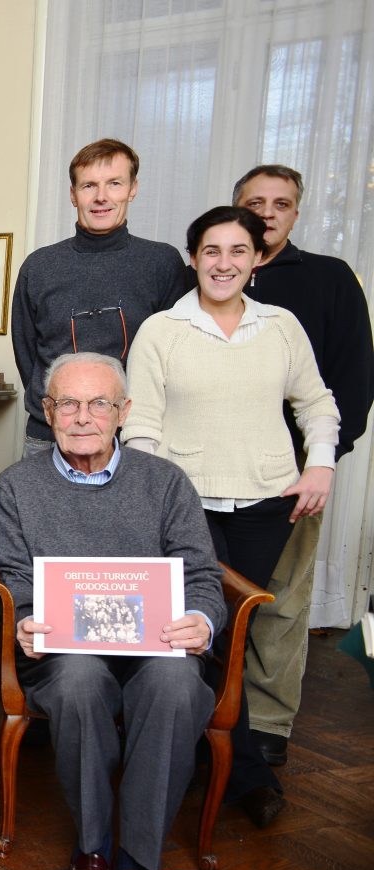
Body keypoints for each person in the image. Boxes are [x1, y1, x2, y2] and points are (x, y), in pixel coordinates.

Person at [0, 352, 224, 870]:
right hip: (65, 652)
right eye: (68, 403)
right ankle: (92, 850)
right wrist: (25, 618)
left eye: (99, 403)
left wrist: (201, 619)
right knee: (78, 682)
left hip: (157, 647)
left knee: (175, 686)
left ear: (124, 412)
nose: (82, 417)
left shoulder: (165, 481)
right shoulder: (16, 486)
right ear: (48, 412)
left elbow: (201, 574)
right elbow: (15, 577)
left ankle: (137, 865)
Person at [123, 205, 339, 829]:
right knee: (199, 633)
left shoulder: (281, 327)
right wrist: (154, 501)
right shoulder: (163, 330)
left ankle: (209, 759)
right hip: (186, 506)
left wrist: (320, 465)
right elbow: (141, 426)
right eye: (211, 251)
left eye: (238, 251)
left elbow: (316, 403)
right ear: (193, 258)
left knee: (237, 634)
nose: (224, 263)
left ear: (257, 259)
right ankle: (238, 771)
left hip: (267, 503)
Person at [232, 164, 374, 767]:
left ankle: (267, 726)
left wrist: (321, 462)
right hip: (208, 467)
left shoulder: (328, 278)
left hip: (293, 470)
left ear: (295, 212)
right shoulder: (206, 273)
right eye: (255, 202)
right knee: (205, 593)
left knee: (281, 598)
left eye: (281, 203)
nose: (268, 213)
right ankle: (209, 716)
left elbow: (352, 381)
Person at [11, 138, 190, 457]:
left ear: (133, 189)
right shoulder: (39, 267)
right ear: (73, 194)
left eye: (114, 183)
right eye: (89, 185)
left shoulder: (162, 263)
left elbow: (174, 355)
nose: (101, 197)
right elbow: (28, 355)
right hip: (48, 438)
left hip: (134, 438)